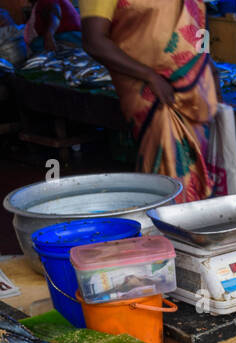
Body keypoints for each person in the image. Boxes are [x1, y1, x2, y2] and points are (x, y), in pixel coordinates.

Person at [80, 0, 218, 203]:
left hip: (196, 88)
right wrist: (149, 76)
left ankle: (199, 222)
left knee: (201, 165)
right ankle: (171, 226)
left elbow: (199, 21)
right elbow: (94, 41)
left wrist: (207, 58)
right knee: (169, 167)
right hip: (153, 93)